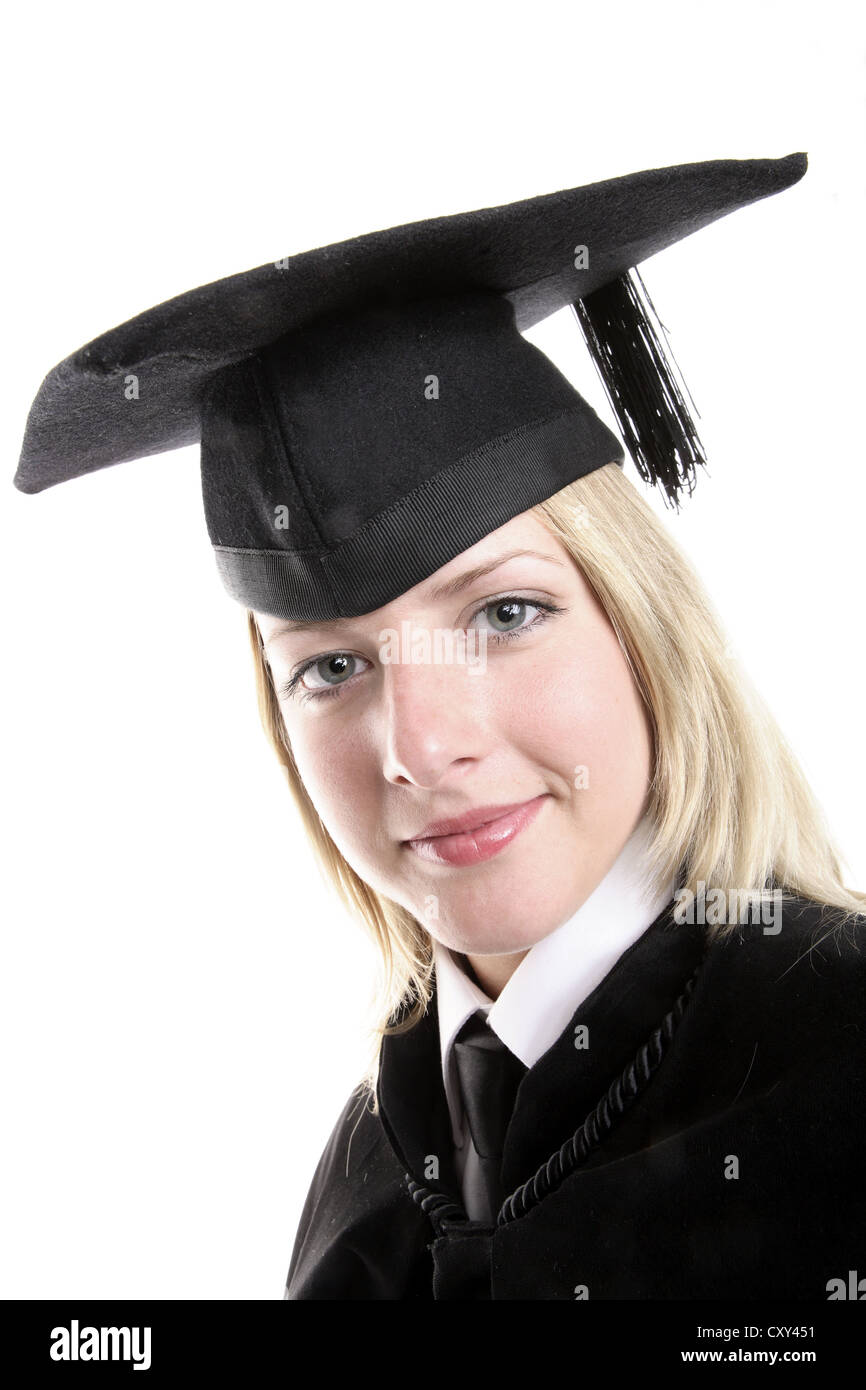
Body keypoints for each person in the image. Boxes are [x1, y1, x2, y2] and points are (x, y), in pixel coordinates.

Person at [15, 151, 865, 1300]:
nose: (420, 747)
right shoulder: (376, 1149)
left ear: (645, 627)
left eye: (505, 613)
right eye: (328, 668)